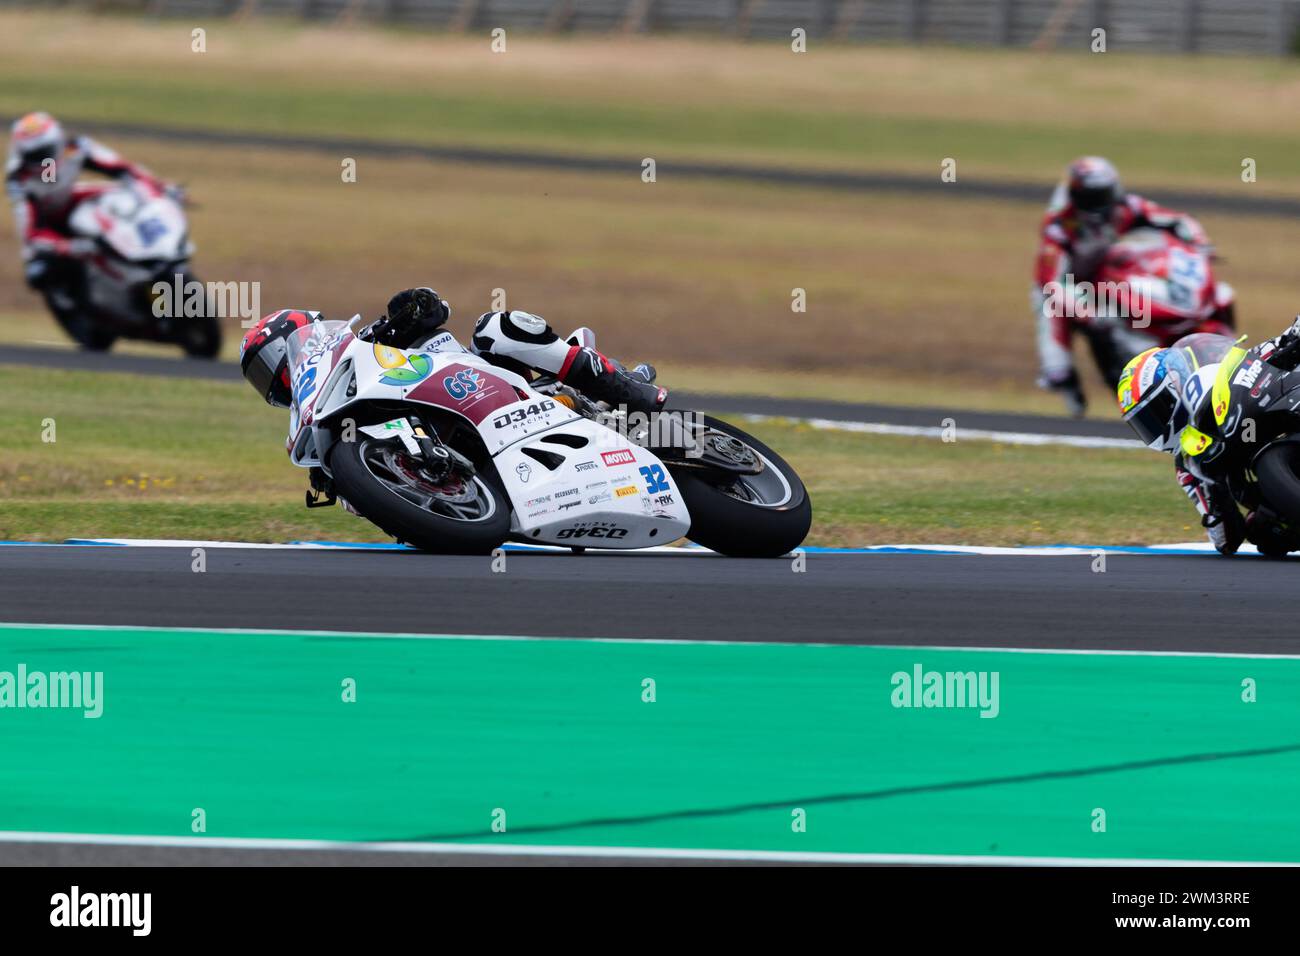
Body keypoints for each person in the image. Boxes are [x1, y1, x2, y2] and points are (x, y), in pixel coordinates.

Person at [240, 288, 668, 415]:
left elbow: (436, 306)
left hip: (478, 378)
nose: (272, 377)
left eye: (267, 364)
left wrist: (407, 311)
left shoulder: (365, 339)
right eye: (260, 377)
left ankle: (623, 385)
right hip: (460, 431)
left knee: (498, 327)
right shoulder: (317, 422)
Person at [1034, 156, 1210, 414]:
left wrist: (1199, 243)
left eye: (1102, 195)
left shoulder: (1127, 207)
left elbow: (1176, 220)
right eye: (1089, 197)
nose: (1097, 204)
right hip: (1067, 284)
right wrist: (1088, 312)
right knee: (1048, 309)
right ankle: (1060, 374)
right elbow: (1051, 283)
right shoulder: (1060, 226)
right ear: (1076, 195)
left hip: (1107, 275)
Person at [1116, 318, 1300, 556]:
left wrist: (1293, 335)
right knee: (1264, 533)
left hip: (1278, 402)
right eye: (1143, 424)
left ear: (1175, 387)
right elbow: (1225, 539)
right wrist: (1216, 504)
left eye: (1154, 414)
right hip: (1275, 481)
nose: (1154, 427)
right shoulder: (1189, 464)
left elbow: (1281, 341)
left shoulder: (1241, 366)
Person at [5, 111, 176, 297]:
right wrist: (67, 247)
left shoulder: (76, 147)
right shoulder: (18, 180)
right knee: (39, 275)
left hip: (72, 202)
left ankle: (145, 259)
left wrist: (159, 188)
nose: (42, 160)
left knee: (122, 202)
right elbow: (32, 233)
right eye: (34, 155)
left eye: (44, 152)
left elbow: (123, 168)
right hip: (47, 230)